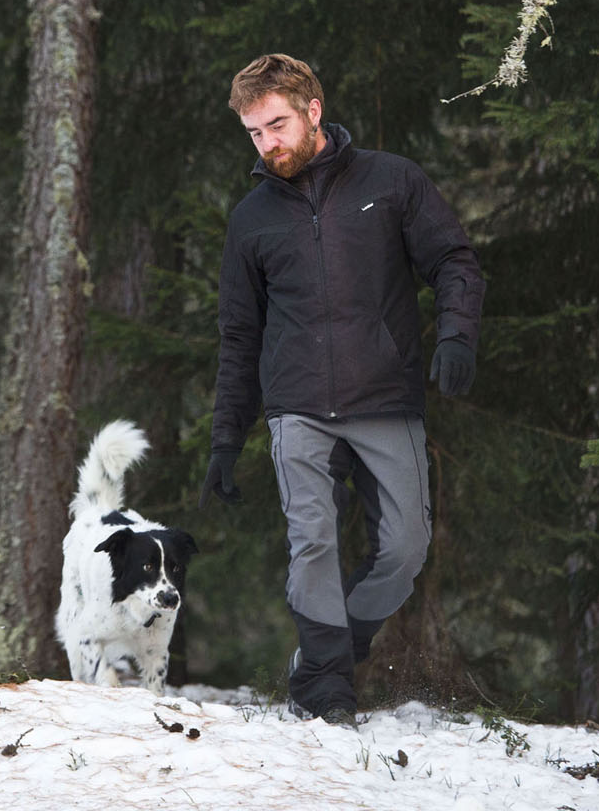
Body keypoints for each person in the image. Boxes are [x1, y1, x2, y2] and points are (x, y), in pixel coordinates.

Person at [198, 53, 484, 725]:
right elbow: (239, 337)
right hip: (297, 405)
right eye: (254, 133)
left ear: (313, 110)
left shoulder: (391, 182)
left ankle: (336, 646)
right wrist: (225, 439)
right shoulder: (252, 218)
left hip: (384, 395)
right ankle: (324, 688)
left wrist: (457, 336)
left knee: (407, 549)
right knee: (313, 541)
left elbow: (453, 261)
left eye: (276, 125)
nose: (268, 144)